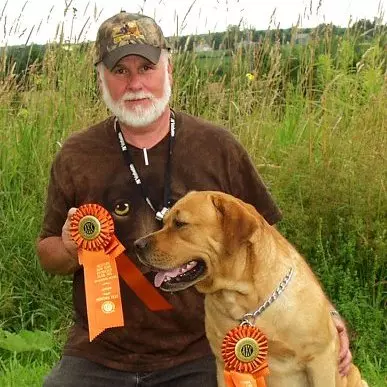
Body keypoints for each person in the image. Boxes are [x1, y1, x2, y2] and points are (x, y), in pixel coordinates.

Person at [37, 11, 352, 387]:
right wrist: (71, 249)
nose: (135, 82)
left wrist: (326, 315)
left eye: (147, 67)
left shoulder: (217, 147)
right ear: (102, 79)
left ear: (168, 70)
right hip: (99, 353)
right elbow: (48, 252)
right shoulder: (77, 155)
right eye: (120, 71)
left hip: (200, 350)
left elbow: (272, 247)